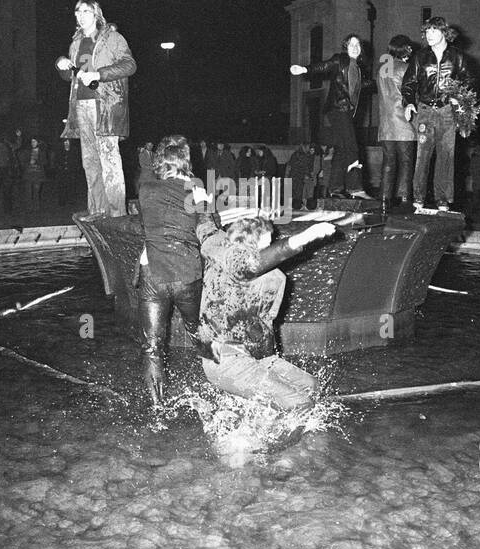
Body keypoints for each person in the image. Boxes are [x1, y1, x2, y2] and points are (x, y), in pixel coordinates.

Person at [196, 214, 337, 411]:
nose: (270, 249)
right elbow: (247, 266)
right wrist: (303, 238)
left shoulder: (216, 243)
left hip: (254, 354)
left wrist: (203, 204)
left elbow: (206, 227)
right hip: (223, 358)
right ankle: (269, 440)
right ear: (251, 249)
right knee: (300, 404)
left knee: (311, 387)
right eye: (267, 244)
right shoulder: (237, 262)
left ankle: (261, 418)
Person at [136, 136, 210, 402]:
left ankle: (157, 405)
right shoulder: (196, 188)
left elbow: (147, 217)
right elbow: (206, 225)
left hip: (152, 273)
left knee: (152, 346)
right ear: (185, 163)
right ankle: (220, 386)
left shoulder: (146, 189)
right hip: (186, 271)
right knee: (199, 332)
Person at [57, 0, 136, 217]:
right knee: (90, 162)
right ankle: (98, 211)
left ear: (96, 14)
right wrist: (63, 66)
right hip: (81, 105)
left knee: (109, 161)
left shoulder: (113, 38)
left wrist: (99, 75)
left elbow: (130, 65)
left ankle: (117, 215)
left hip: (106, 106)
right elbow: (69, 77)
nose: (80, 16)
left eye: (85, 11)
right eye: (77, 12)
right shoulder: (76, 42)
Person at [401, 17, 478, 211]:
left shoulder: (457, 56)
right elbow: (408, 83)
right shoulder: (419, 57)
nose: (429, 35)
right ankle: (418, 200)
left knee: (446, 156)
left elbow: (469, 80)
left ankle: (442, 200)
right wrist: (409, 103)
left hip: (447, 113)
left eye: (433, 31)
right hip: (425, 111)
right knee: (422, 156)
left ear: (444, 33)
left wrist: (458, 96)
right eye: (427, 32)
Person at [290, 34, 373, 200]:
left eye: (358, 45)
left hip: (347, 111)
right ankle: (355, 187)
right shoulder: (340, 60)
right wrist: (305, 69)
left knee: (342, 149)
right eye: (351, 45)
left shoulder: (358, 67)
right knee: (352, 147)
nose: (355, 47)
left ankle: (335, 188)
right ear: (345, 47)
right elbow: (324, 66)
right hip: (337, 108)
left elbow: (358, 86)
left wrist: (380, 82)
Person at [375, 34, 417, 213]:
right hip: (404, 124)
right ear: (404, 49)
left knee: (388, 162)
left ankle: (384, 200)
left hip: (386, 125)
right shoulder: (407, 68)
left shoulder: (382, 69)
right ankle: (405, 199)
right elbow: (413, 94)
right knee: (406, 162)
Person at [285, 143, 314, 210]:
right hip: (299, 176)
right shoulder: (303, 155)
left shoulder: (295, 154)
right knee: (299, 192)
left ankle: (294, 205)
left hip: (294, 175)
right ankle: (297, 206)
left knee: (295, 192)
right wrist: (307, 174)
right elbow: (304, 166)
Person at [22, 137, 48, 206]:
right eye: (32, 142)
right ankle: (29, 207)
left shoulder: (42, 152)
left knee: (36, 191)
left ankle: (36, 207)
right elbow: (23, 161)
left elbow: (45, 162)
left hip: (38, 175)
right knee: (28, 191)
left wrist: (36, 161)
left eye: (34, 142)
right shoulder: (27, 151)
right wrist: (28, 162)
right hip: (28, 174)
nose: (33, 143)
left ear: (38, 142)